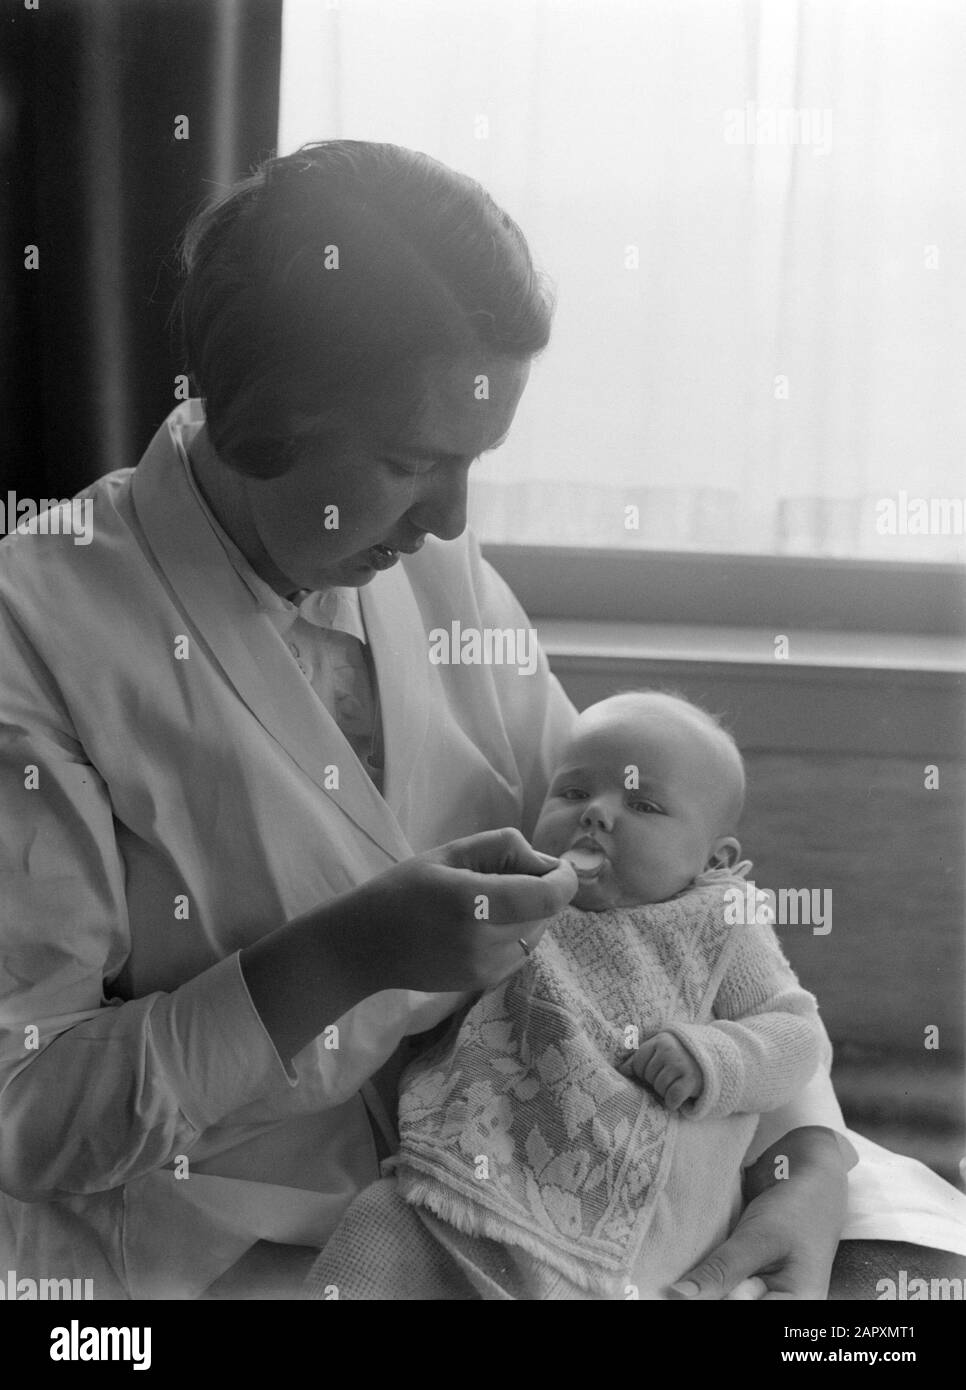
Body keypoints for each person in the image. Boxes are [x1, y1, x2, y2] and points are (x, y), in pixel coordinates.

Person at [0, 141, 962, 1301]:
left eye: (473, 463)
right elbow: (28, 1114)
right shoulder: (40, 629)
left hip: (580, 1168)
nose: (453, 520)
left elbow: (666, 887)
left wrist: (806, 1158)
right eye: (413, 461)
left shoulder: (427, 575)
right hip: (254, 1243)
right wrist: (338, 960)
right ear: (257, 415)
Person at [303, 690, 827, 1299]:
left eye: (645, 804)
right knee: (379, 1224)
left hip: (616, 1245)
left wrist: (714, 1057)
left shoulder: (719, 921)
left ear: (715, 858)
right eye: (575, 793)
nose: (597, 815)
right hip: (458, 1187)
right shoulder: (515, 897)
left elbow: (796, 1034)